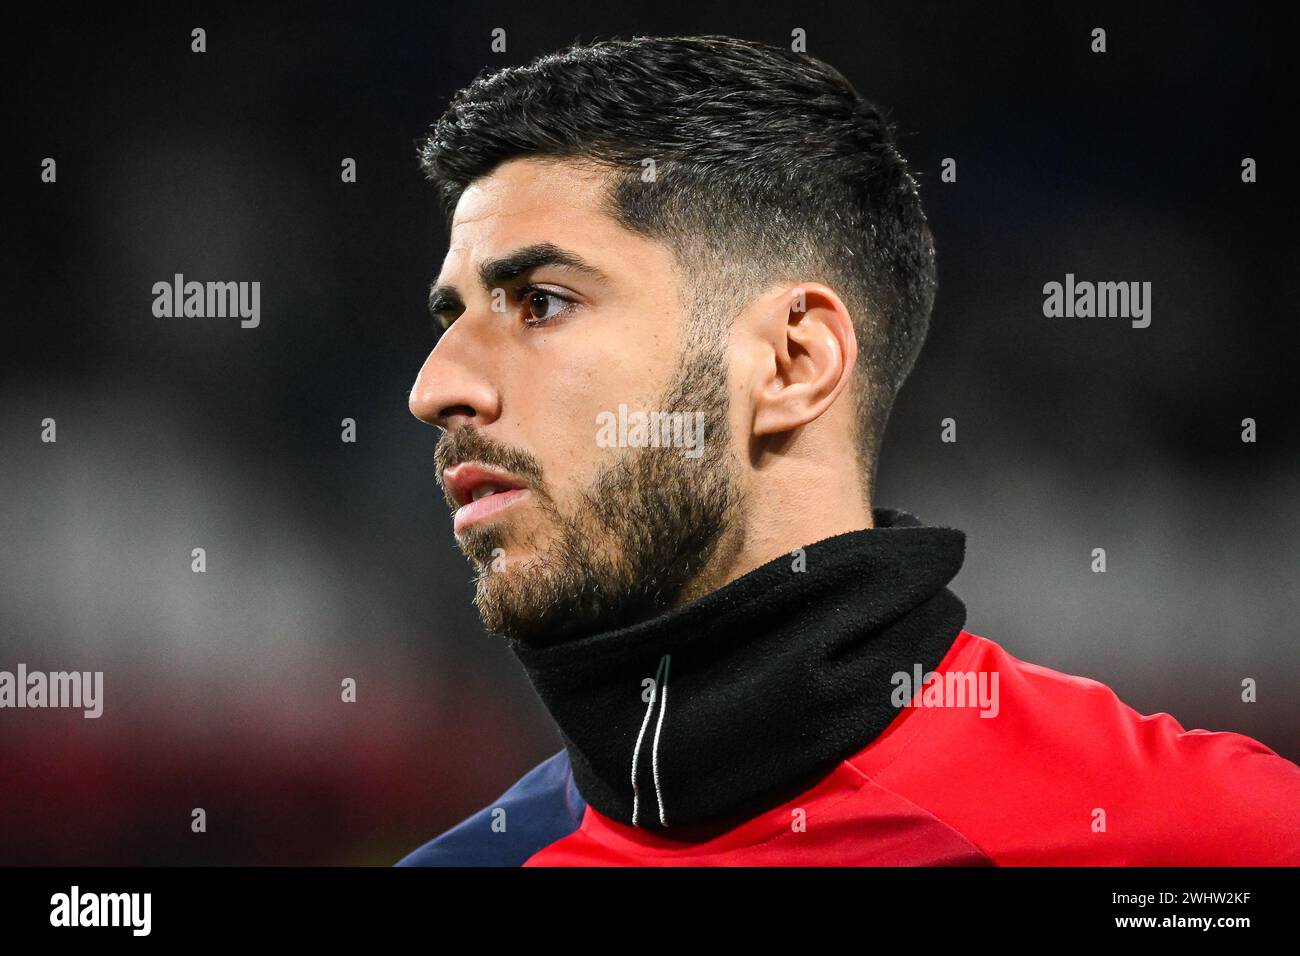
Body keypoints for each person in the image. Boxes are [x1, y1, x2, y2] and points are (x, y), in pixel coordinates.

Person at [399, 35, 1300, 865]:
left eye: (540, 302)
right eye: (454, 316)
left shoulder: (1202, 845)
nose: (434, 388)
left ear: (793, 361)